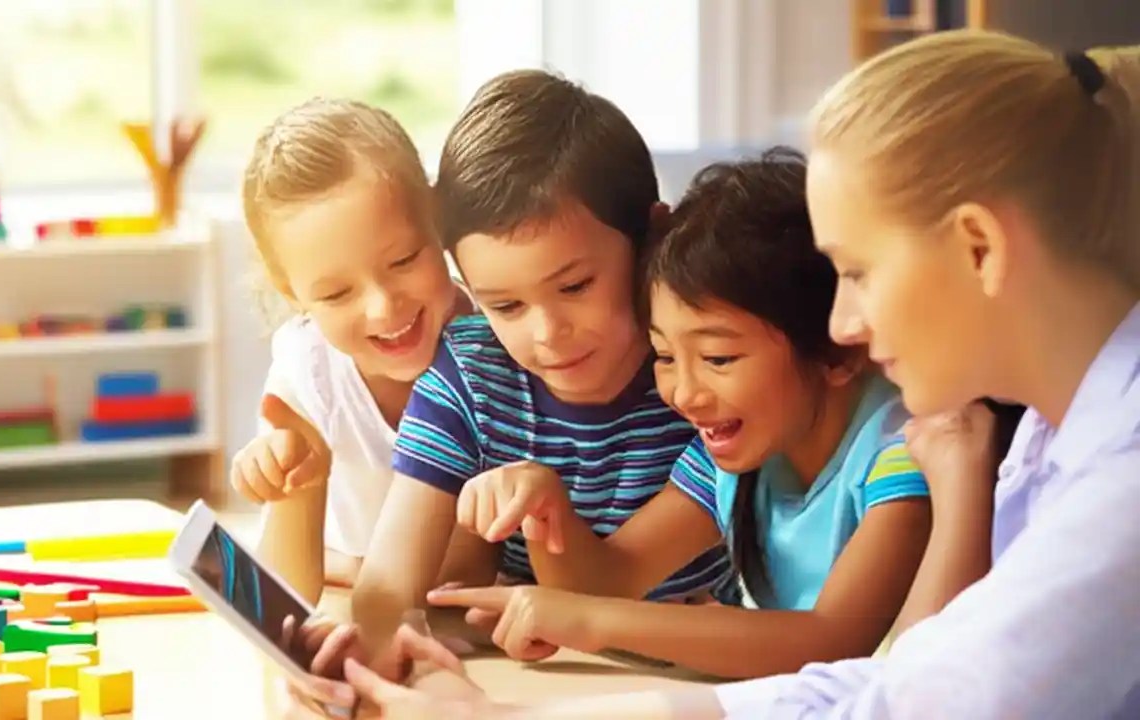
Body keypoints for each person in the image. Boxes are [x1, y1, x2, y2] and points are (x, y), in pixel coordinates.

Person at [333, 31, 1140, 719]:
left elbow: (908, 700)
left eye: (855, 271)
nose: (842, 324)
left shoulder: (1121, 488)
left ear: (979, 248)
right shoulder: (1051, 433)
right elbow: (888, 686)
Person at [426, 148, 933, 679]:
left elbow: (832, 639)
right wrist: (544, 506)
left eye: (717, 358)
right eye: (664, 356)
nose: (683, 393)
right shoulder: (742, 448)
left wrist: (595, 621)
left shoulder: (900, 448)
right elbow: (609, 579)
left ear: (839, 350)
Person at [348, 68, 739, 669]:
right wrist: (355, 652)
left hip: (684, 672)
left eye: (576, 285)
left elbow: (605, 589)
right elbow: (389, 588)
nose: (547, 333)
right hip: (541, 670)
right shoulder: (471, 374)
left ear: (652, 236)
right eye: (505, 305)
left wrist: (541, 505)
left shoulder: (707, 378)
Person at [233, 97, 469, 607]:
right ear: (290, 291)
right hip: (360, 612)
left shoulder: (503, 335)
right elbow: (278, 599)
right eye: (337, 294)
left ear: (438, 221)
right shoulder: (309, 372)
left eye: (404, 260)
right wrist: (297, 486)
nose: (384, 309)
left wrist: (358, 569)